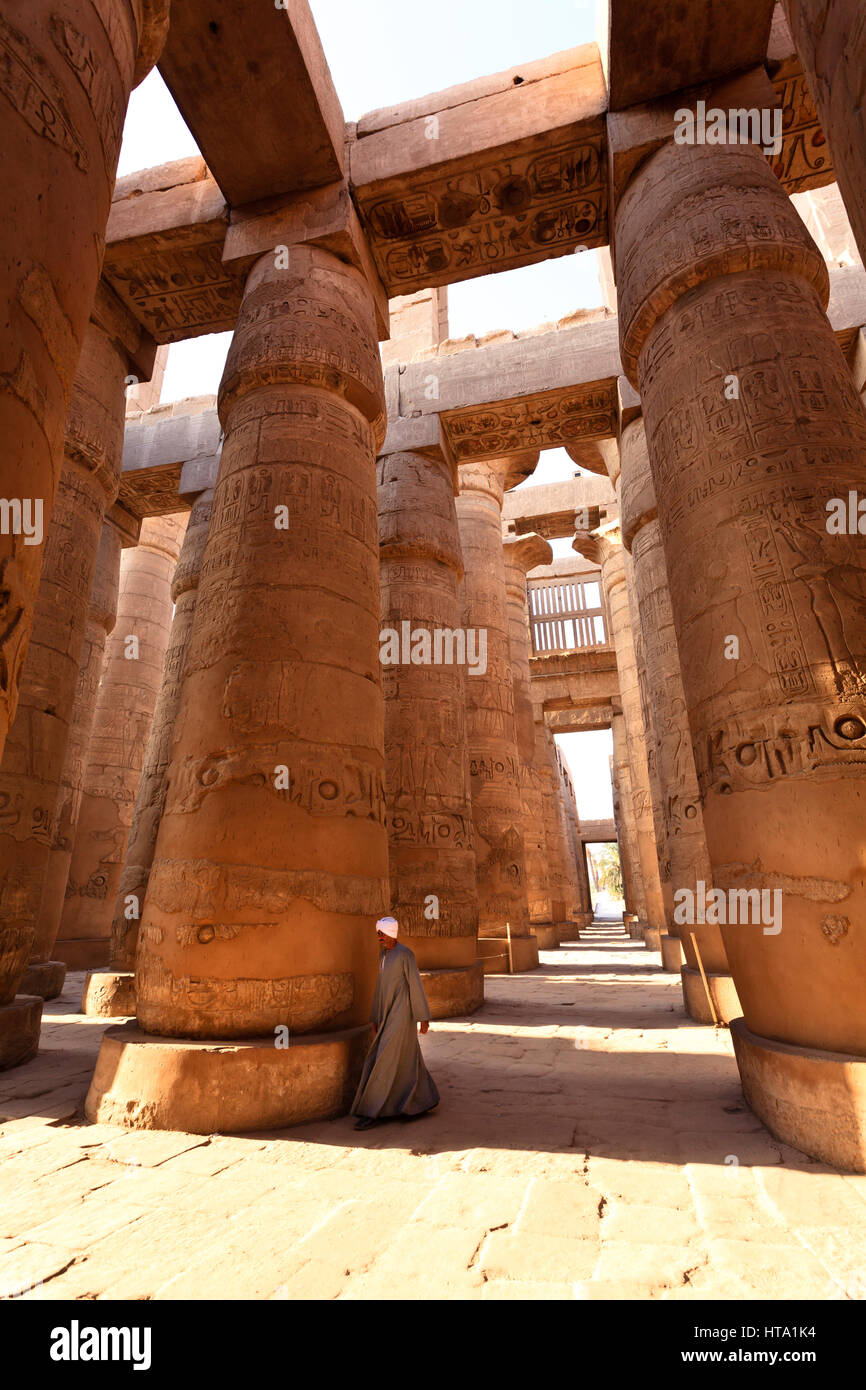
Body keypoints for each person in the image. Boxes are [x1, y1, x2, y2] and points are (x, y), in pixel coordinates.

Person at [351, 916, 440, 1131]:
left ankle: (371, 1111)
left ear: (392, 933)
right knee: (406, 1059)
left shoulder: (405, 955)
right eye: (378, 934)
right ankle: (421, 1101)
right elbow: (380, 986)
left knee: (384, 1058)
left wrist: (423, 1016)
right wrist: (374, 1015)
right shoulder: (383, 954)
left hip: (402, 1014)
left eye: (382, 933)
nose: (379, 937)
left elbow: (415, 985)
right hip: (386, 1012)